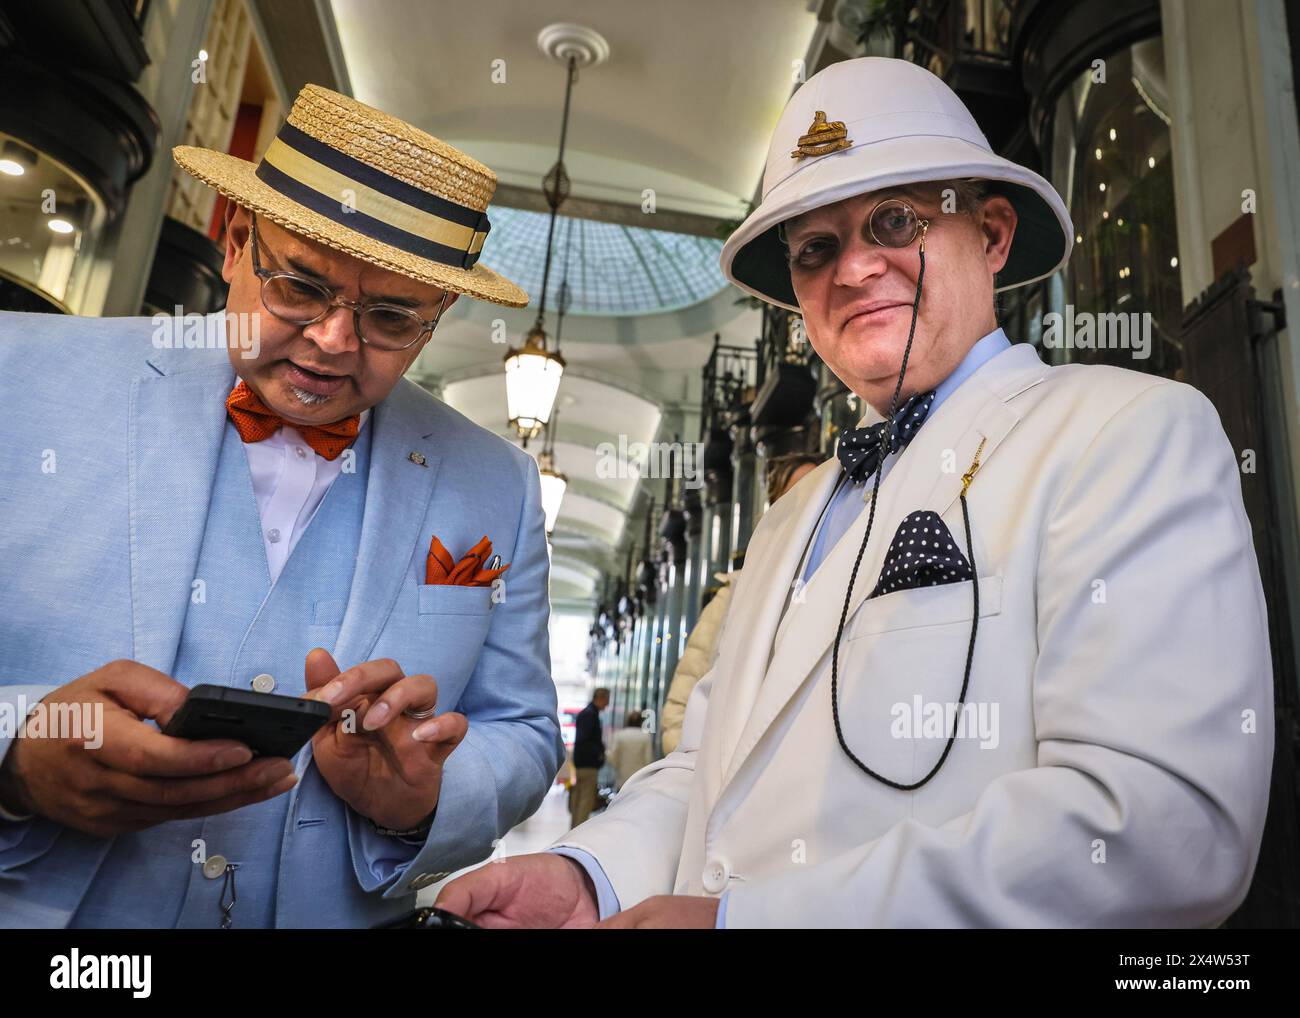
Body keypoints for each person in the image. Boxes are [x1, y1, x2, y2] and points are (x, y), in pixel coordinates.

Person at [436, 57, 1273, 928]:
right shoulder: (790, 517)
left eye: (894, 221)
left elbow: (1162, 831)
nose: (855, 269)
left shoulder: (1126, 432)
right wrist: (589, 875)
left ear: (990, 235)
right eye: (816, 249)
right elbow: (713, 770)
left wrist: (749, 922)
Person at [0, 84, 564, 928]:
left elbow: (522, 727)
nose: (334, 341)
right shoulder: (22, 378)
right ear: (234, 242)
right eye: (299, 287)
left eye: (390, 317)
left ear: (438, 317)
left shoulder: (497, 483)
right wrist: (14, 755)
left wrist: (422, 794)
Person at [660, 452, 822, 753]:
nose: (809, 509)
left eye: (819, 496)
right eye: (798, 496)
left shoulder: (832, 585)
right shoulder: (736, 591)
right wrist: (690, 778)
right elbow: (681, 702)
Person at [570, 688, 609, 827]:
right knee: (585, 800)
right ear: (601, 698)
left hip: (581, 763)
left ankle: (574, 828)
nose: (607, 704)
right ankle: (577, 830)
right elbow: (585, 740)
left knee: (578, 799)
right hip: (588, 765)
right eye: (607, 700)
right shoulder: (590, 715)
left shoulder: (587, 713)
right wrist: (599, 752)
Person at [608, 711, 654, 791]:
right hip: (639, 776)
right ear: (641, 722)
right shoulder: (645, 737)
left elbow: (613, 756)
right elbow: (648, 759)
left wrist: (617, 766)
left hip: (622, 774)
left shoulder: (619, 735)